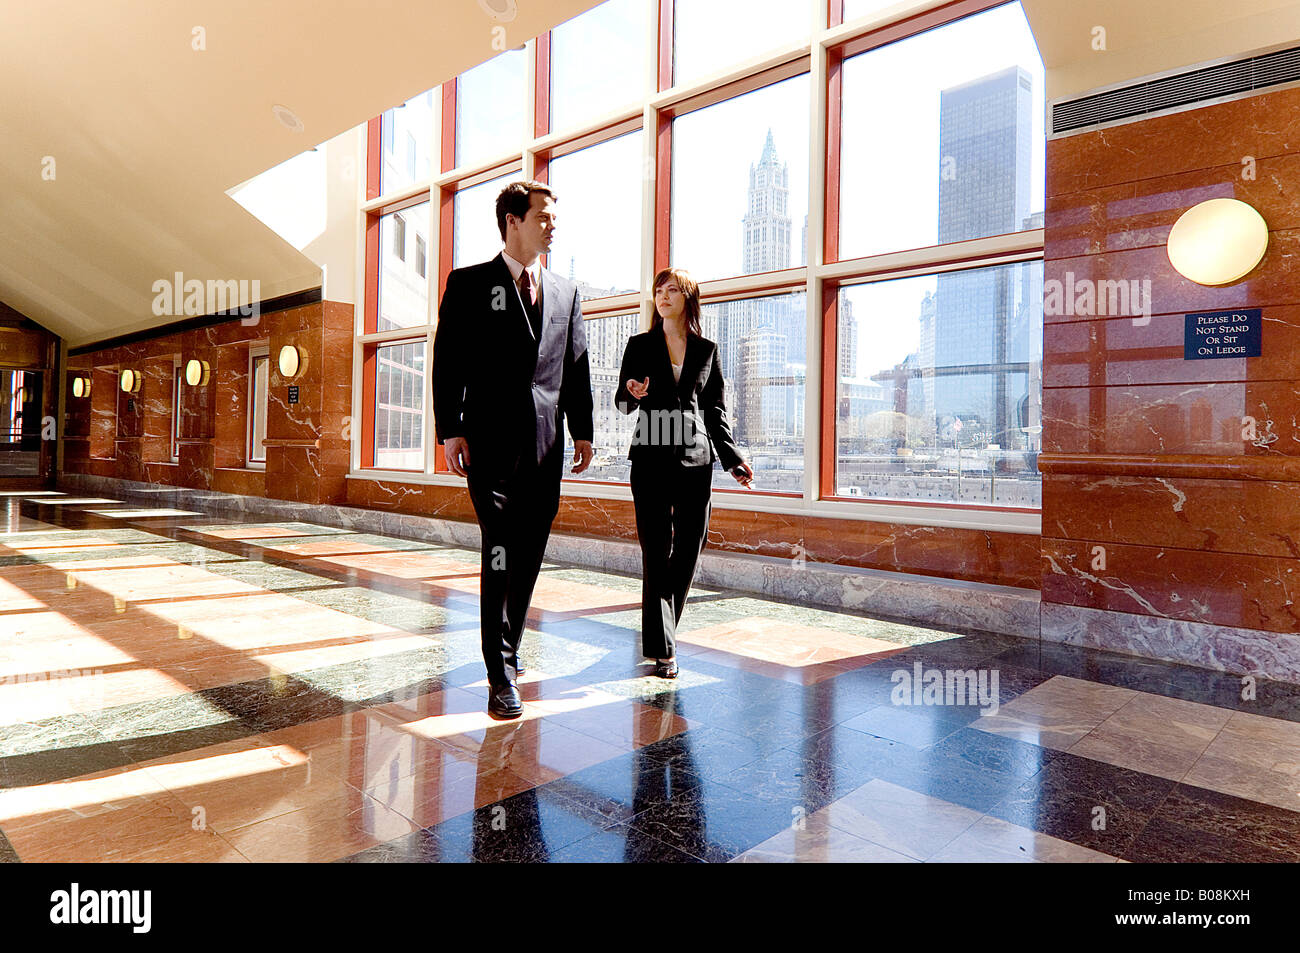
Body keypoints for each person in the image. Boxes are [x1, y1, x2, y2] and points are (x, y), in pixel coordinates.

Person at [431, 180, 594, 719]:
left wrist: (583, 430)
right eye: (543, 215)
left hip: (546, 448)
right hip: (489, 446)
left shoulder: (568, 292)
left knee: (527, 552)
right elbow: (448, 360)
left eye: (554, 216)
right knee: (500, 547)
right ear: (513, 222)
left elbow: (575, 368)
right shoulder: (470, 283)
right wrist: (449, 428)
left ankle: (510, 645)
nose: (553, 223)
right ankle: (499, 672)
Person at [615, 267, 753, 679]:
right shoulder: (639, 345)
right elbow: (623, 404)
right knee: (656, 553)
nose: (663, 296)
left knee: (690, 547)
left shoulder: (707, 349)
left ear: (688, 298)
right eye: (659, 290)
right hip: (650, 458)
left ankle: (661, 634)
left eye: (672, 290)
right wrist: (631, 392)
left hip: (696, 460)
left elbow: (714, 411)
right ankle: (664, 649)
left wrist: (732, 459)